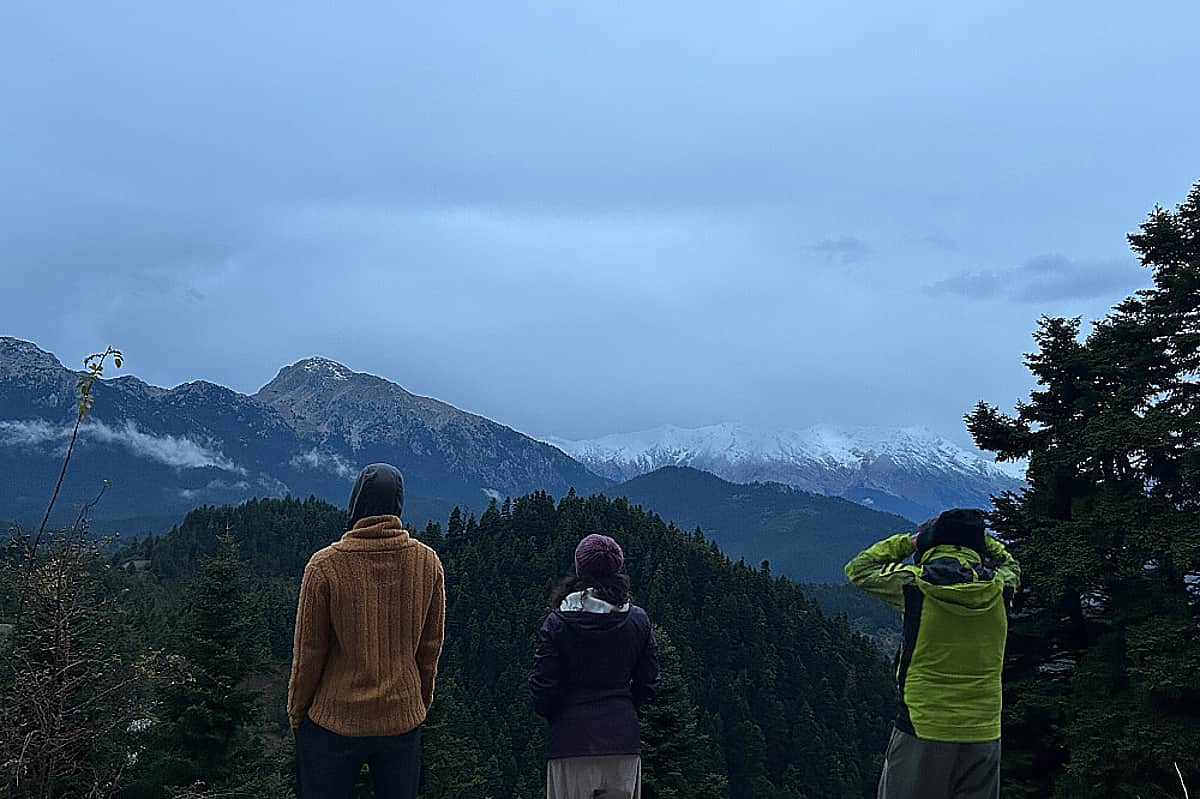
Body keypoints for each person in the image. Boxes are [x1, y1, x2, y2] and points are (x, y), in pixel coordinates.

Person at [287, 463, 446, 799]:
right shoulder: (427, 562)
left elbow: (309, 654)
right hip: (402, 720)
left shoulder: (324, 565)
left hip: (334, 722)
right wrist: (420, 701)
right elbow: (430, 649)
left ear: (356, 502)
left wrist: (297, 712)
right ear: (398, 504)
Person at [845, 508, 1021, 799]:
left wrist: (910, 542)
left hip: (923, 724)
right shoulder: (1002, 589)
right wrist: (981, 539)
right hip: (984, 730)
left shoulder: (917, 586)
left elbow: (859, 569)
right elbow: (1009, 562)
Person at [529, 534, 661, 799]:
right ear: (618, 569)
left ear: (580, 569)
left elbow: (543, 689)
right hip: (623, 742)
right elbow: (649, 683)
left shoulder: (558, 623)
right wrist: (623, 707)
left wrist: (561, 716)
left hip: (570, 742)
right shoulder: (638, 620)